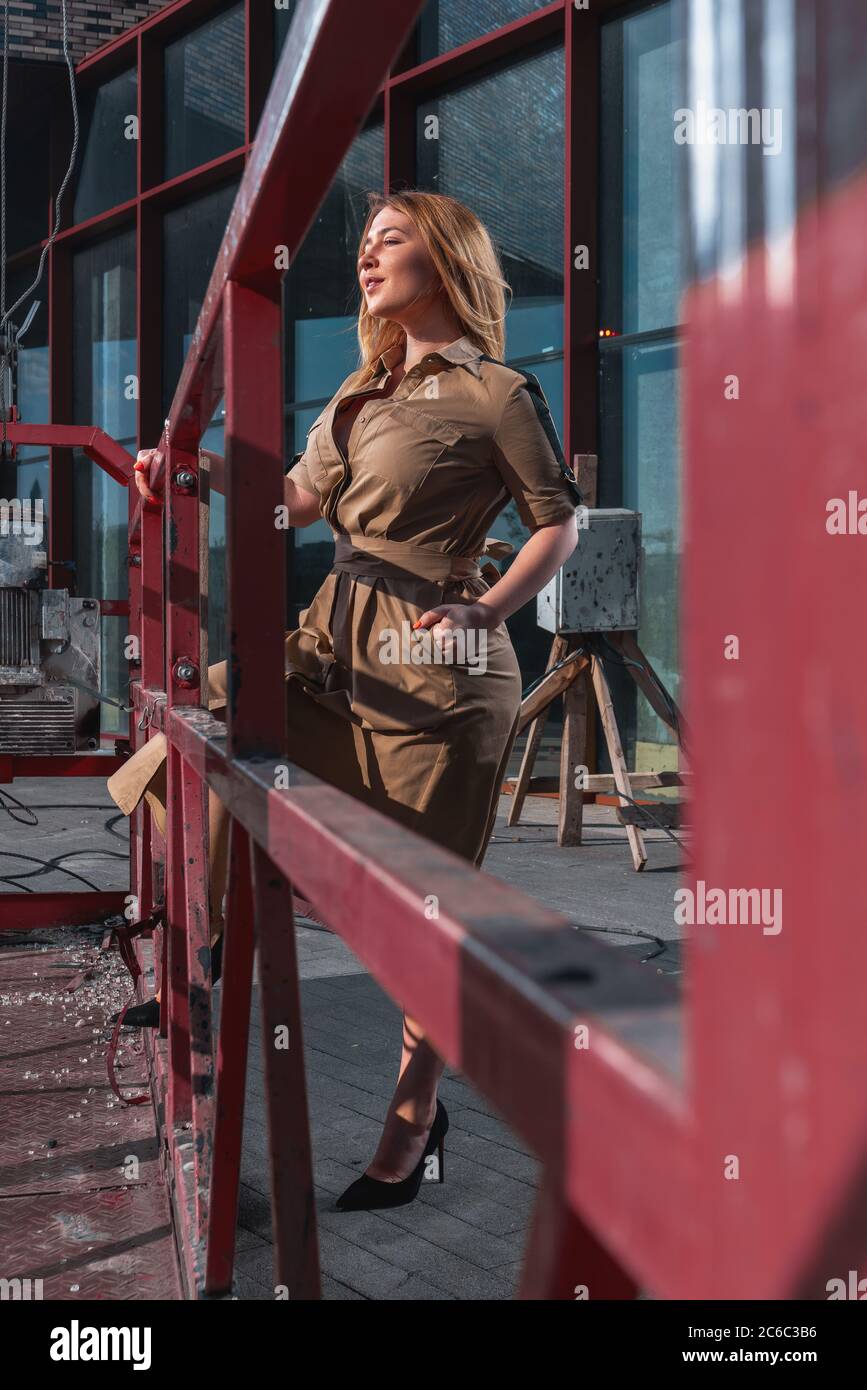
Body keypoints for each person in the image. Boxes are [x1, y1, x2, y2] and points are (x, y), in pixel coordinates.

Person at [108, 189, 581, 1210]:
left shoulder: (496, 391)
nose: (368, 259)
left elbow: (558, 522)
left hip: (440, 676)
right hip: (333, 648)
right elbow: (283, 499)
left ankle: (414, 1117)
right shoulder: (360, 395)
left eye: (391, 240)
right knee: (189, 741)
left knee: (428, 918)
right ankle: (206, 954)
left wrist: (487, 610)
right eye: (365, 245)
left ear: (445, 257)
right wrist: (178, 472)